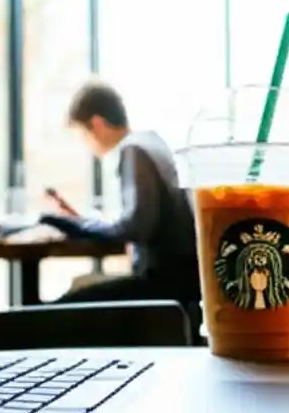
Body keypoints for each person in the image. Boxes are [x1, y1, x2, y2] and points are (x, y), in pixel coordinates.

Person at [41, 81, 200, 313]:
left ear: (96, 124)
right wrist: (82, 221)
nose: (87, 144)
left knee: (58, 311)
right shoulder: (150, 141)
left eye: (83, 135)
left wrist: (74, 225)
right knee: (78, 289)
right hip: (182, 282)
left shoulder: (132, 150)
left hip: (162, 286)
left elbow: (135, 228)